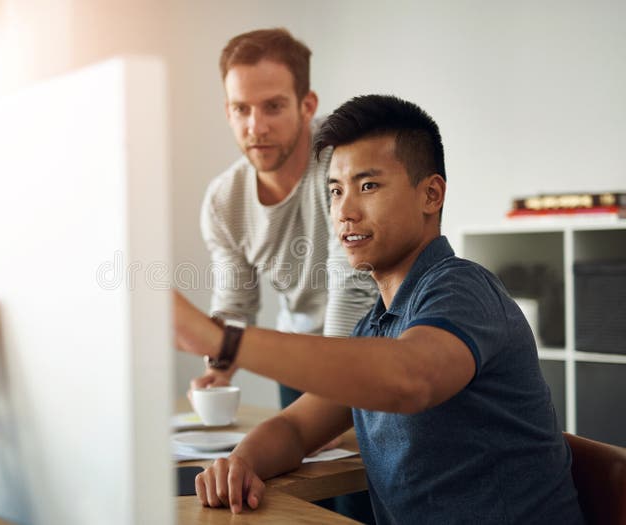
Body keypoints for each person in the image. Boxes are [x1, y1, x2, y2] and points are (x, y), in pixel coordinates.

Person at [174, 94, 585, 524]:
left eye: (368, 186)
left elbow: (410, 379)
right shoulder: (375, 328)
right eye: (335, 191)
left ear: (431, 194)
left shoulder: (463, 288)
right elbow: (294, 429)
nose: (345, 212)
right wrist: (241, 462)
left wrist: (224, 340)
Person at [192, 28, 377, 409]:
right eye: (241, 109)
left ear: (307, 106)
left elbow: (352, 286)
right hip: (301, 357)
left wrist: (331, 391)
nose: (255, 127)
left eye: (273, 107)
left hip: (372, 349)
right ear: (228, 111)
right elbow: (235, 302)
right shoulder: (224, 200)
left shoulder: (341, 161)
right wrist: (220, 365)